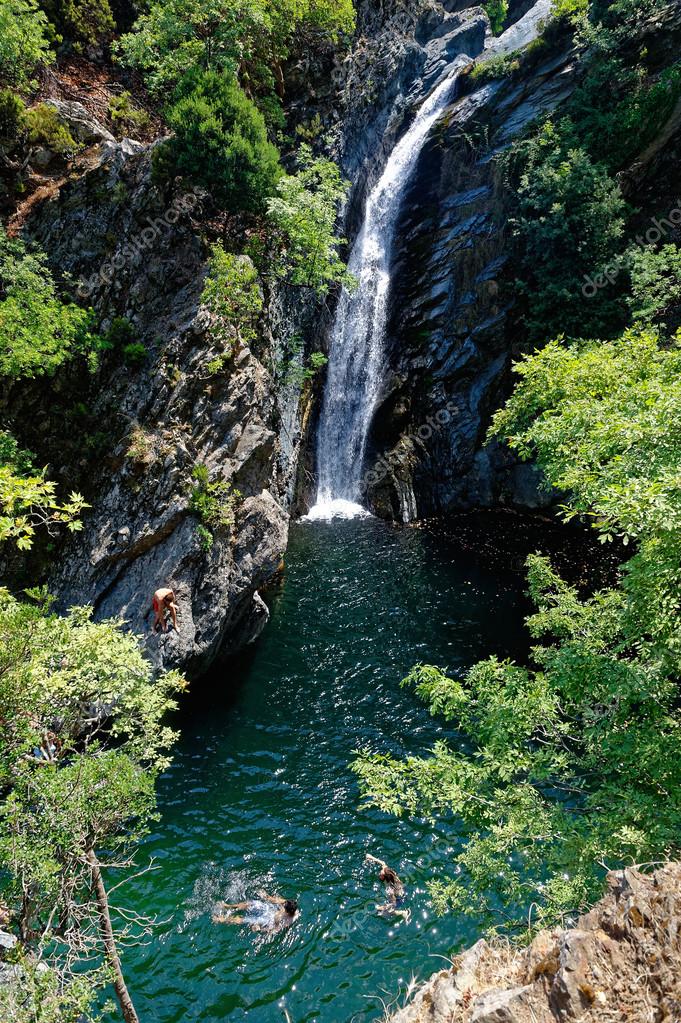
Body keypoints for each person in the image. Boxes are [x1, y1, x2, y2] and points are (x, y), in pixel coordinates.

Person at [212, 891, 298, 932]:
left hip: (268, 920)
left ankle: (221, 919)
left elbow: (274, 930)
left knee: (243, 919)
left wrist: (260, 929)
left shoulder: (288, 921)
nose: (283, 904)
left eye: (284, 906)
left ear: (287, 912)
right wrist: (266, 896)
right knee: (251, 904)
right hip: (270, 910)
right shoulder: (290, 905)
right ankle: (228, 906)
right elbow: (278, 901)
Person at [366, 853, 410, 921]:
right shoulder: (389, 873)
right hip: (401, 891)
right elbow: (383, 863)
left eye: (381, 873)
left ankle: (403, 913)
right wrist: (371, 857)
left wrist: (379, 908)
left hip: (399, 899)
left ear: (385, 878)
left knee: (385, 913)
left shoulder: (390, 890)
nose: (381, 872)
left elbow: (393, 904)